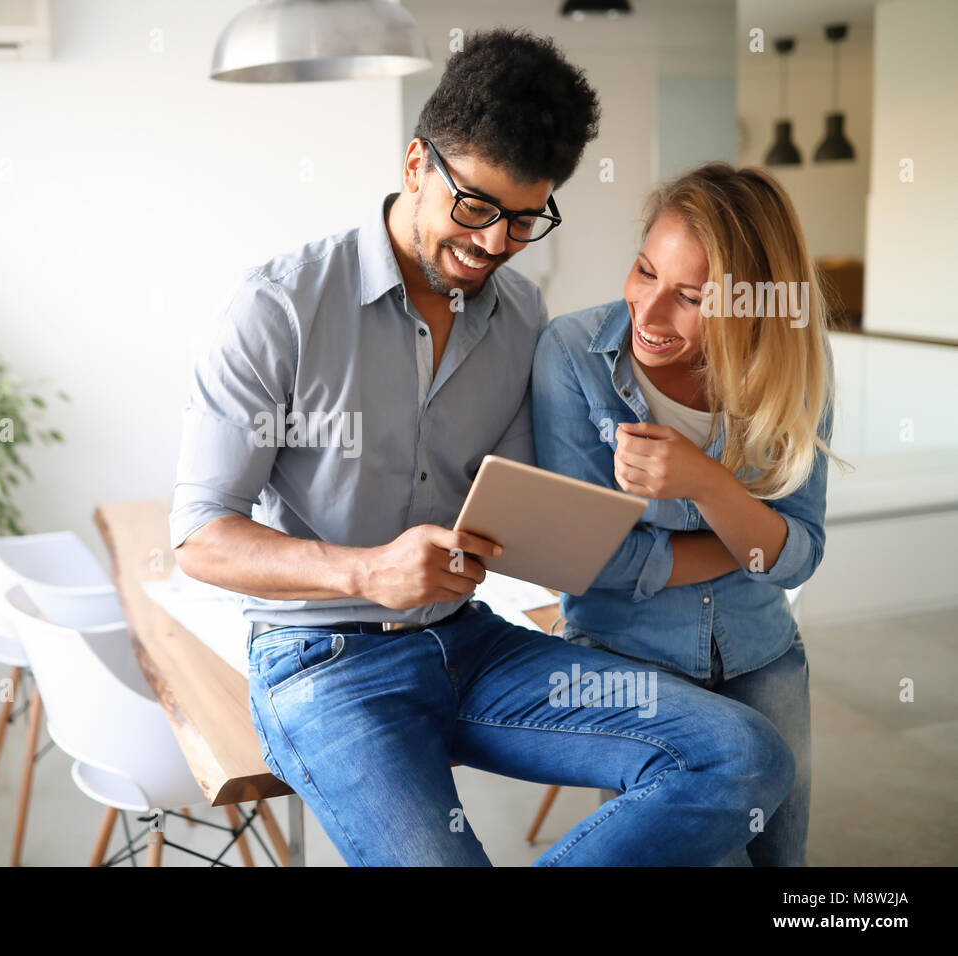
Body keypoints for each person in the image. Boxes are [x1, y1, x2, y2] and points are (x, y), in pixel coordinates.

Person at [170, 30, 793, 866]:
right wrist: (364, 571)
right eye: (476, 207)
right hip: (322, 668)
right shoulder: (280, 309)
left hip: (470, 641)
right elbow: (198, 536)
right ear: (416, 164)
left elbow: (532, 507)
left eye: (525, 218)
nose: (496, 243)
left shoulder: (522, 318)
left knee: (745, 757)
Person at [532, 162, 842, 866]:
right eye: (644, 272)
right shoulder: (574, 356)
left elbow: (801, 553)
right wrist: (744, 535)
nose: (648, 311)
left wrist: (706, 483)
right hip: (629, 664)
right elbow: (591, 562)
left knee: (782, 869)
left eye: (691, 296)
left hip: (764, 654)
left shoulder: (794, 360)